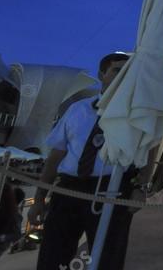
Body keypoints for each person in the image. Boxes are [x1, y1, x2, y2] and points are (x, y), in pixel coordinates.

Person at [30, 52, 151, 270]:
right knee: (53, 253)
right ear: (101, 74)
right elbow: (55, 156)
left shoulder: (135, 115)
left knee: (108, 257)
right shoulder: (77, 110)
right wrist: (39, 199)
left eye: (127, 72)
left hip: (111, 189)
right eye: (116, 70)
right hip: (69, 188)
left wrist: (141, 187)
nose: (122, 76)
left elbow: (147, 152)